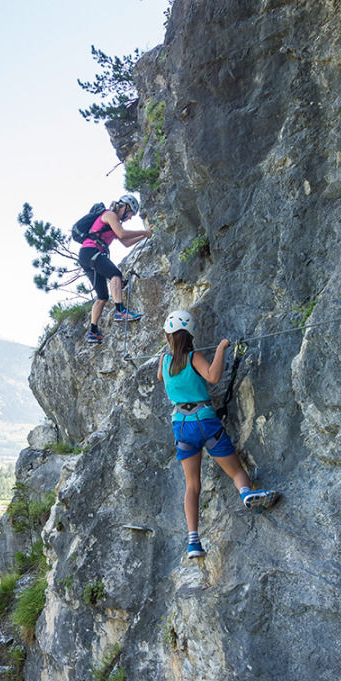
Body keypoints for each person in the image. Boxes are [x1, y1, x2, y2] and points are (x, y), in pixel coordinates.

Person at [158, 310, 279, 558]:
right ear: (190, 334)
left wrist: (168, 350)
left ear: (169, 337)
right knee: (236, 470)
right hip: (204, 420)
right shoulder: (194, 357)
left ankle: (193, 542)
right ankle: (246, 493)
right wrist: (222, 347)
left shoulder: (164, 361)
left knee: (192, 485)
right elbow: (213, 376)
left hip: (180, 425)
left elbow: (162, 376)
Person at [79, 194, 152, 344]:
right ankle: (120, 311)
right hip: (92, 251)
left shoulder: (114, 222)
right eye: (131, 212)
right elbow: (122, 234)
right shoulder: (110, 215)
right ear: (124, 207)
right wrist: (144, 232)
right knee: (115, 274)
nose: (130, 217)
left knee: (102, 297)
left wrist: (145, 236)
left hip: (87, 255)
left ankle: (93, 332)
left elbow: (125, 242)